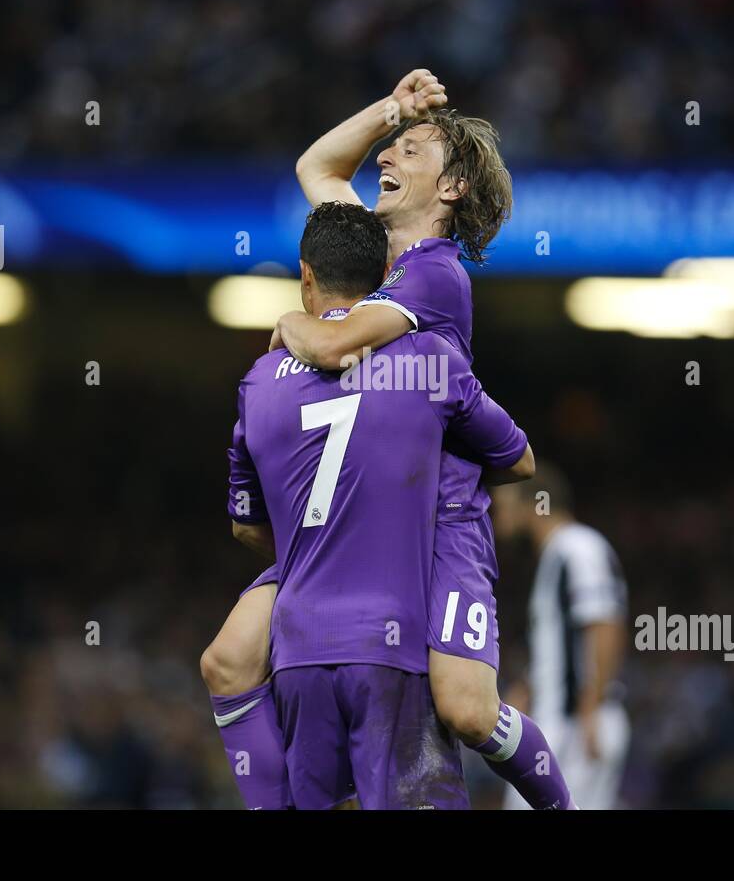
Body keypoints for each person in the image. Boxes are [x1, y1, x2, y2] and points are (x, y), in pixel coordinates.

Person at [203, 69, 574, 810]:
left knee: (466, 708)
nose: (388, 158)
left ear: (453, 187)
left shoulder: (437, 277)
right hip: (353, 518)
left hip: (438, 528)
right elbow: (317, 167)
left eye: (412, 150)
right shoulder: (372, 252)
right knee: (230, 656)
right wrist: (389, 110)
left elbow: (334, 345)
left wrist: (288, 328)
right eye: (391, 148)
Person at [226, 201, 534, 808]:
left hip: (297, 651)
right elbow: (518, 459)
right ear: (384, 279)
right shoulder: (428, 359)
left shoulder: (258, 381)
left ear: (306, 276)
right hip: (391, 648)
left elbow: (247, 527)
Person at [492, 467, 631, 809]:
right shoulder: (554, 555)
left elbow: (605, 624)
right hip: (559, 722)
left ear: (532, 503)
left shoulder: (578, 547)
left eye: (503, 504)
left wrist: (590, 709)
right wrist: (527, 687)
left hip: (576, 726)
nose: (496, 514)